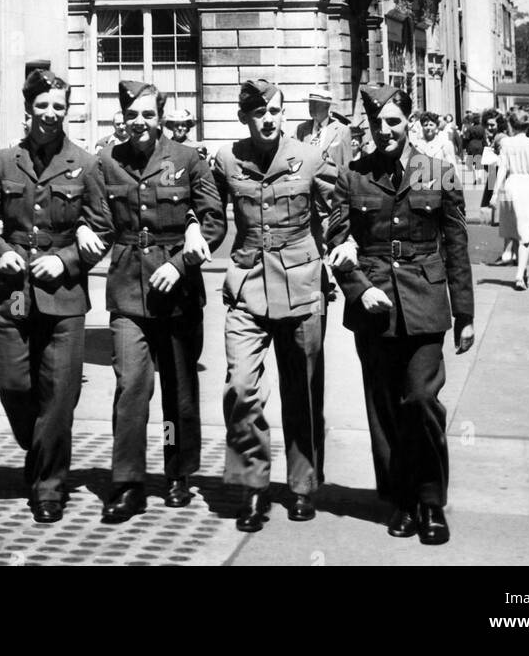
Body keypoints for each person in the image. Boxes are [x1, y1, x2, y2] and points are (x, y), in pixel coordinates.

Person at [327, 84, 473, 545]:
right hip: (375, 305)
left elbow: (456, 245)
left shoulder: (441, 172)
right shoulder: (353, 177)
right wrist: (358, 290)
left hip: (426, 302)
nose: (385, 131)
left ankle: (431, 501)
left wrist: (464, 312)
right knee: (385, 407)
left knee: (422, 402)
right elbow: (335, 243)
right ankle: (401, 500)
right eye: (377, 124)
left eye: (393, 122)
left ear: (409, 121)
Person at [0, 67, 111, 523]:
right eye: (42, 106)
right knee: (10, 382)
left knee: (59, 395)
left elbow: (103, 227)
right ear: (28, 109)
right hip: (13, 294)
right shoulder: (5, 161)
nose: (51, 114)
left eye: (59, 107)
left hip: (63, 298)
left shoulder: (86, 164)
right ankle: (39, 450)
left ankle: (49, 487)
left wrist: (68, 259)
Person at [213, 77, 348, 531]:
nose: (268, 120)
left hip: (303, 284)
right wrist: (193, 226)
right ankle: (253, 487)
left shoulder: (309, 157)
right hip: (248, 283)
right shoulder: (228, 159)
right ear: (244, 118)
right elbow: (207, 207)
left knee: (303, 390)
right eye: (259, 114)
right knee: (241, 388)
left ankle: (303, 485)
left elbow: (338, 211)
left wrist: (340, 249)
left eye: (275, 112)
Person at [91, 81, 226, 522]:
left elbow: (213, 219)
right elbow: (94, 217)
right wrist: (81, 232)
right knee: (131, 385)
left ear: (161, 115)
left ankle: (176, 471)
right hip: (129, 288)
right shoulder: (107, 162)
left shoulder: (187, 160)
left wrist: (183, 261)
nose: (141, 123)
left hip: (179, 292)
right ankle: (127, 482)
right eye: (133, 114)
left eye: (148, 115)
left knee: (179, 391)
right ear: (123, 115)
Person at [489, 108, 529, 290]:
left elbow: (501, 169)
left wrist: (494, 192)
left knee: (515, 231)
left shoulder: (506, 143)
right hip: (528, 186)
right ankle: (519, 275)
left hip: (510, 185)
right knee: (526, 234)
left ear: (511, 125)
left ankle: (522, 271)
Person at [295, 87, 351, 162]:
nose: (311, 107)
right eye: (310, 103)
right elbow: (294, 155)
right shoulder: (301, 129)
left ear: (327, 106)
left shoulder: (342, 131)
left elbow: (347, 165)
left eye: (315, 103)